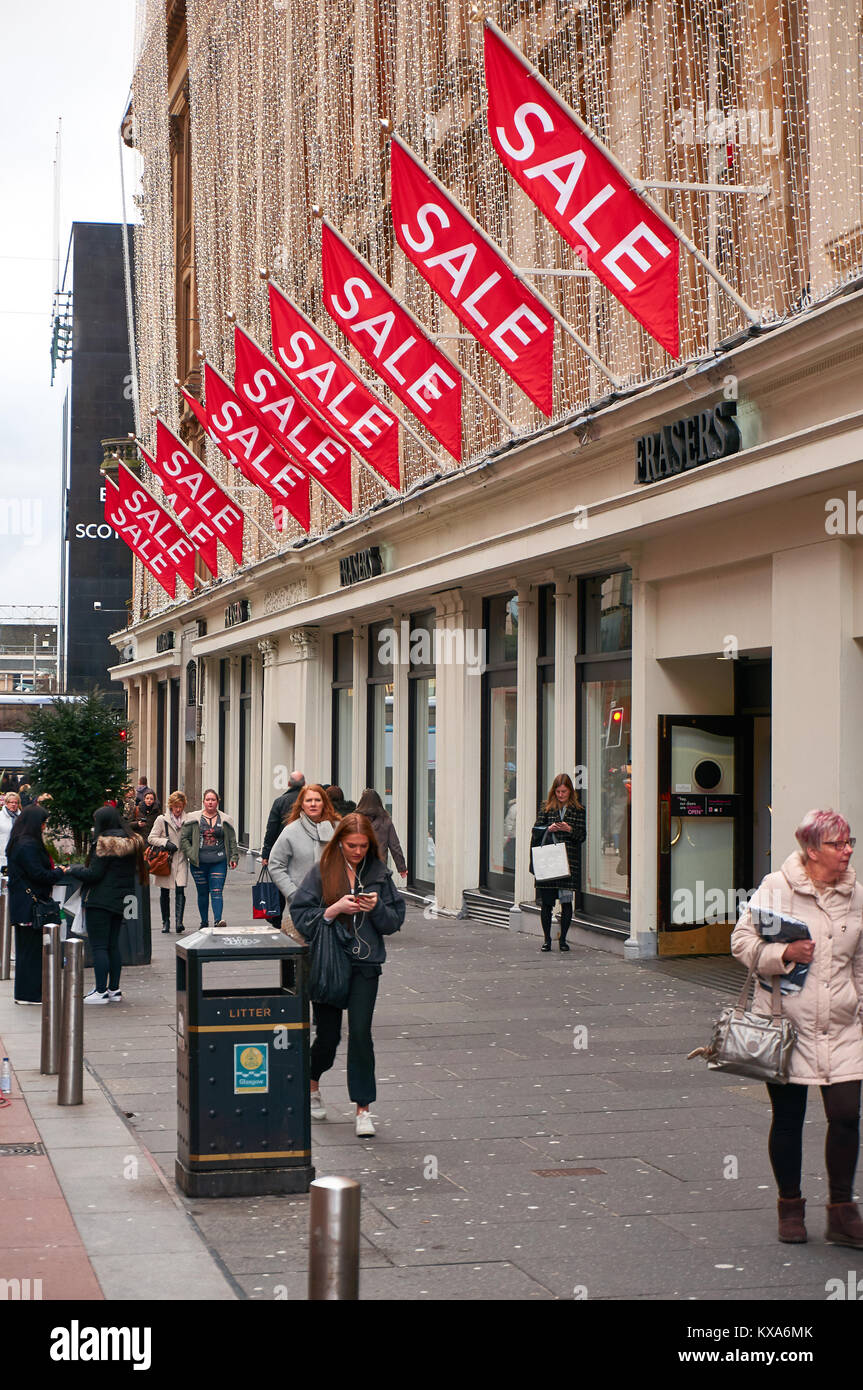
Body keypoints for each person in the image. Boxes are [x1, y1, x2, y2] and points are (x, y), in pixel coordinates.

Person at [731, 809, 863, 1247]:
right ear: (811, 850)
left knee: (845, 1116)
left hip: (842, 1025)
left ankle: (842, 1212)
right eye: (838, 844)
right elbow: (741, 942)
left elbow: (859, 962)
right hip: (785, 1023)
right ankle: (791, 1206)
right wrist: (784, 952)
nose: (847, 851)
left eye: (849, 843)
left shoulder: (855, 894)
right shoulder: (776, 888)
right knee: (788, 1119)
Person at [290, 813, 405, 1137]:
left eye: (363, 846)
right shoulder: (323, 872)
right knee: (328, 1036)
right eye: (351, 845)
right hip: (330, 963)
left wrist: (376, 908)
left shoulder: (380, 874)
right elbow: (300, 915)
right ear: (340, 841)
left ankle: (363, 1109)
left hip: (366, 966)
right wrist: (335, 908)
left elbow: (394, 921)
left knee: (360, 1033)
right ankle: (311, 1085)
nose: (357, 851)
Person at [66, 806, 147, 1004]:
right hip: (121, 899)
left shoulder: (104, 843)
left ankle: (100, 990)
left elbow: (94, 874)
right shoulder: (132, 842)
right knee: (113, 945)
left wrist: (72, 869)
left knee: (99, 946)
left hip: (100, 900)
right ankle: (114, 989)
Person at [6, 804, 66, 1004]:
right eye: (42, 823)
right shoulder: (28, 845)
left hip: (23, 905)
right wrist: (60, 872)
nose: (43, 827)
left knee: (27, 950)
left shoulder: (19, 841)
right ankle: (30, 994)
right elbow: (39, 874)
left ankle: (26, 993)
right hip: (30, 906)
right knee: (31, 952)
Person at [530, 773, 586, 952]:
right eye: (558, 791)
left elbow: (582, 836)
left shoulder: (578, 810)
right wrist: (549, 828)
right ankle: (547, 940)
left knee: (567, 902)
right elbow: (536, 830)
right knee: (547, 903)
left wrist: (570, 829)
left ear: (570, 791)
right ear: (553, 791)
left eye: (564, 791)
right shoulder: (546, 808)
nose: (561, 795)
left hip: (568, 862)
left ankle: (563, 940)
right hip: (548, 861)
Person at [268, 784, 338, 927]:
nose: (313, 804)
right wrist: (294, 894)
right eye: (308, 800)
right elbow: (275, 864)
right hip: (301, 908)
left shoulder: (338, 828)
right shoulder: (291, 831)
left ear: (324, 803)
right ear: (301, 804)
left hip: (336, 905)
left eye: (317, 800)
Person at [181, 789, 239, 929]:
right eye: (208, 799)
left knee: (217, 890)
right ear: (203, 802)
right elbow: (184, 838)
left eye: (213, 800)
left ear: (218, 802)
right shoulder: (193, 818)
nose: (210, 802)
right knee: (202, 892)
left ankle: (218, 920)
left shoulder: (225, 819)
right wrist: (190, 853)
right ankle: (204, 922)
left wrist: (234, 856)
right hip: (199, 863)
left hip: (219, 861)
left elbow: (231, 840)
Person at [149, 791, 189, 934]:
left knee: (180, 888)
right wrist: (165, 842)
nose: (178, 810)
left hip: (182, 859)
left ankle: (179, 921)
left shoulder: (188, 820)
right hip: (166, 860)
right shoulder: (162, 819)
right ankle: (165, 921)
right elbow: (151, 838)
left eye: (180, 806)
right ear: (170, 806)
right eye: (175, 806)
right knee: (164, 891)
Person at [354, 789, 407, 877]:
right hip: (379, 867)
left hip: (357, 866)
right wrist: (402, 868)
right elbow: (395, 846)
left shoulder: (354, 820)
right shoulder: (385, 821)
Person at [261, 772, 306, 864]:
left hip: (283, 848)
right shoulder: (310, 801)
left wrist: (266, 854)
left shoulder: (280, 802)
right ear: (304, 783)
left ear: (289, 784)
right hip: (306, 848)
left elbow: (271, 829)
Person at [0, 791, 22, 877]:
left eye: (16, 803)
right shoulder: (0, 817)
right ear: (6, 803)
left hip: (18, 854)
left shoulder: (21, 817)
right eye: (11, 802)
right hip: (3, 853)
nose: (13, 804)